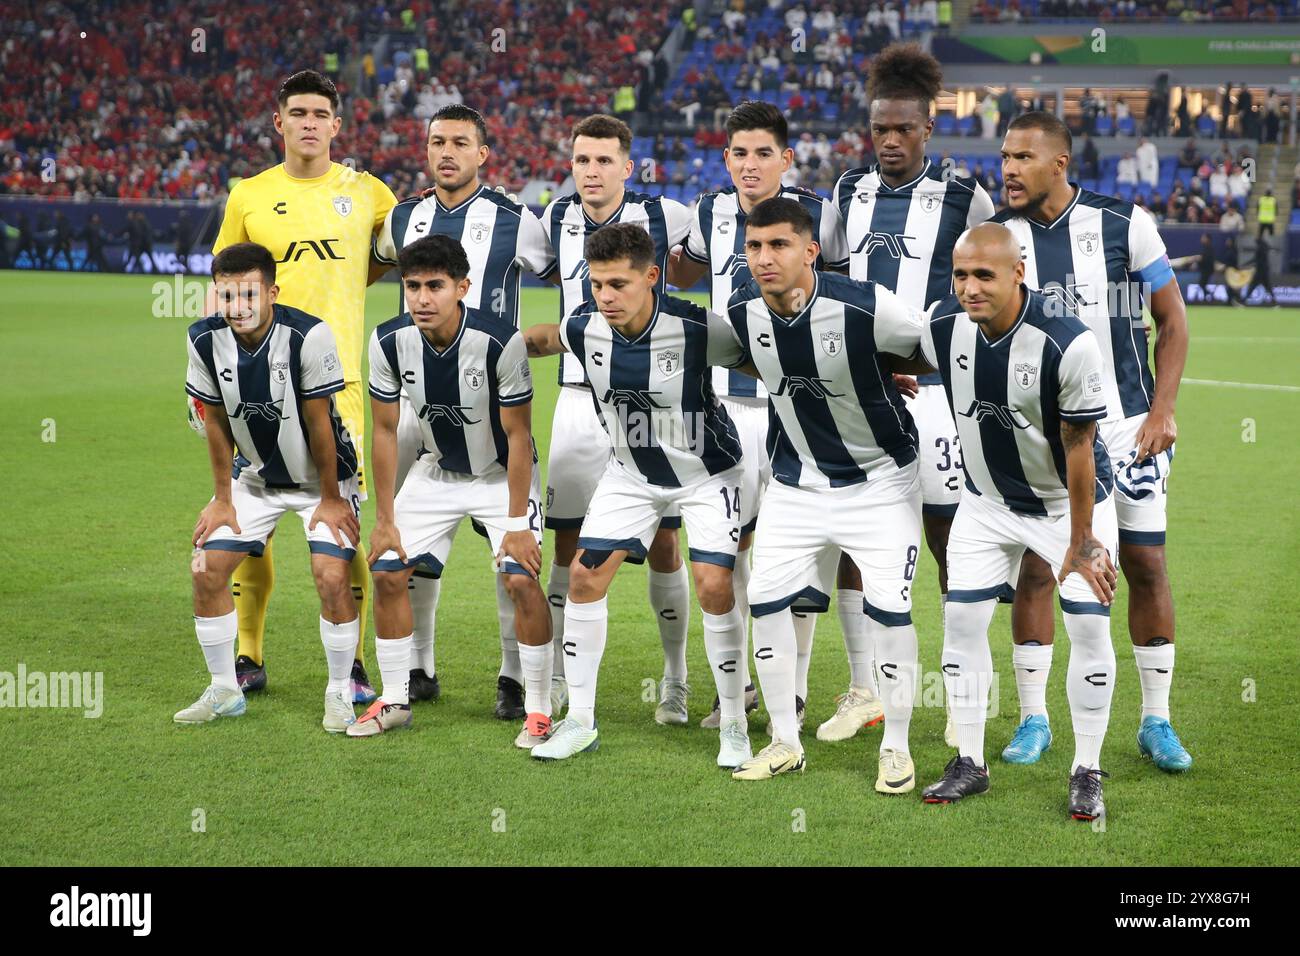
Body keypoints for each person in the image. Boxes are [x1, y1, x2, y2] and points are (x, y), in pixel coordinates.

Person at [995, 111, 1192, 772]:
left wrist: (1162, 411)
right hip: (1045, 434)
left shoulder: (1124, 223)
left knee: (1143, 563)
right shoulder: (1001, 239)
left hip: (1127, 427)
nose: (1009, 169)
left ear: (1059, 162)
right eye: (1004, 157)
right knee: (1038, 570)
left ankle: (1156, 720)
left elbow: (1172, 321)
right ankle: (1033, 719)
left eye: (1023, 157)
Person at [522, 224, 752, 768]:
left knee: (715, 583)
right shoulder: (584, 324)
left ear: (652, 277)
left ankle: (736, 725)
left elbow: (767, 362)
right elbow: (543, 340)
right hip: (629, 472)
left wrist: (875, 377)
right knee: (583, 576)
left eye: (618, 284)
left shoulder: (698, 327)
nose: (606, 296)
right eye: (598, 284)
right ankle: (579, 721)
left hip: (708, 472)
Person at [917, 223, 1119, 822]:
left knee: (1087, 628)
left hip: (1067, 507)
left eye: (984, 275)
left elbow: (1080, 448)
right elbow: (892, 348)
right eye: (960, 275)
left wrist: (1083, 542)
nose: (970, 288)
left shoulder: (1067, 344)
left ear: (1018, 274)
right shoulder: (945, 327)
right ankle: (970, 763)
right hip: (985, 504)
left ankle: (1086, 769)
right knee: (961, 621)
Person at [725, 197, 926, 791]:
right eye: (755, 247)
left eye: (779, 245)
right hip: (796, 481)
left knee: (890, 611)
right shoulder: (741, 311)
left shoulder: (864, 306)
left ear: (811, 250)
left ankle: (896, 746)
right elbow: (753, 359)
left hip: (881, 481)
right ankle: (785, 741)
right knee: (764, 600)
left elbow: (927, 348)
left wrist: (884, 369)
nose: (764, 258)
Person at [210, 70, 397, 703]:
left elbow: (389, 258)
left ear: (337, 125)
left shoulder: (369, 192)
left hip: (337, 382)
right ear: (280, 122)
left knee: (337, 531)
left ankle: (356, 661)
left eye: (321, 113)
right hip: (257, 379)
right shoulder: (249, 195)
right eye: (299, 112)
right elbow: (225, 284)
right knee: (250, 523)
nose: (310, 122)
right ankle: (248, 650)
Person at [832, 44, 995, 747]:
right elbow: (832, 279)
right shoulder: (847, 192)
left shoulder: (967, 198)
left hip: (935, 396)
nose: (891, 142)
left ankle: (966, 694)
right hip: (864, 396)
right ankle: (864, 688)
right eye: (880, 131)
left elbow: (986, 293)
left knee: (947, 540)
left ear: (929, 130)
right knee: (851, 540)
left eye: (904, 130)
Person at [668, 100, 848, 731]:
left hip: (796, 411)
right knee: (731, 550)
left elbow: (846, 298)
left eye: (763, 153)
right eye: (739, 153)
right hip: (725, 412)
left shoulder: (820, 216)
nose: (750, 164)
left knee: (794, 551)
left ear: (786, 158)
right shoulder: (710, 211)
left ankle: (794, 689)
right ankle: (739, 684)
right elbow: (683, 265)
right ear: (725, 159)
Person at [373, 104, 556, 719]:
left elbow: (566, 274)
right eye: (436, 142)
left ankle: (516, 680)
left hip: (498, 393)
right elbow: (371, 275)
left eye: (460, 142)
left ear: (484, 154)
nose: (445, 152)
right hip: (424, 401)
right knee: (405, 556)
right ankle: (416, 671)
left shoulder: (516, 218)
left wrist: (547, 335)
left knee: (513, 560)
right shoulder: (404, 217)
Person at [539, 114, 698, 724]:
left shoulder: (670, 216)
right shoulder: (554, 219)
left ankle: (676, 680)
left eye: (605, 160)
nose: (592, 171)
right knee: (570, 541)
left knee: (664, 540)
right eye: (582, 160)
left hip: (654, 402)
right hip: (580, 400)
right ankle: (554, 676)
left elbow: (707, 257)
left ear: (627, 167)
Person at [177, 242, 361, 732]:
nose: (237, 308)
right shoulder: (202, 340)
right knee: (205, 571)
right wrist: (221, 499)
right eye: (227, 296)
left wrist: (330, 498)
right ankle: (224, 691)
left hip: (320, 480)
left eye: (249, 295)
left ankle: (340, 693)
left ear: (272, 291)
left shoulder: (308, 335)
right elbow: (213, 423)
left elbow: (319, 424)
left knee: (330, 576)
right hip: (254, 480)